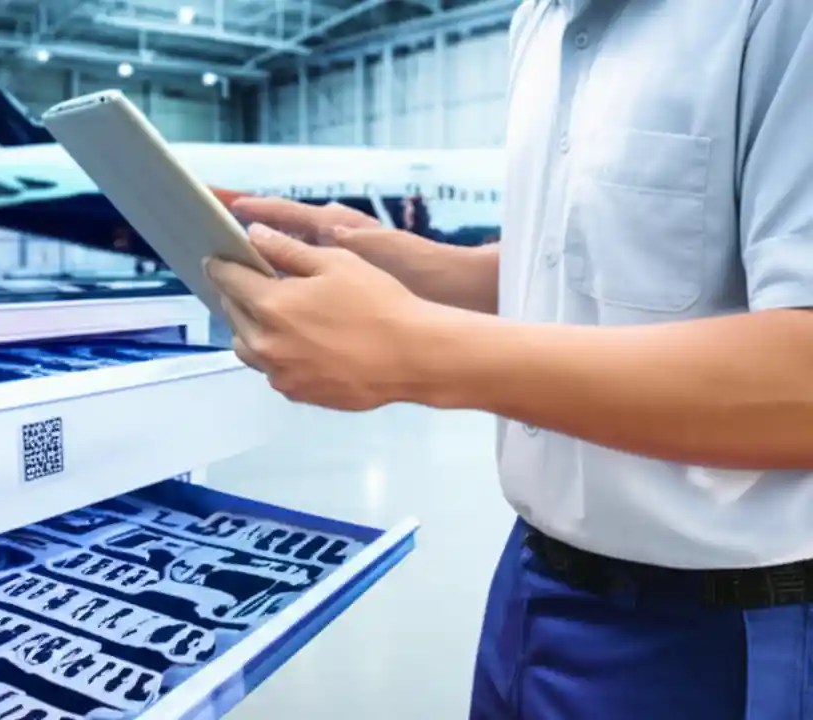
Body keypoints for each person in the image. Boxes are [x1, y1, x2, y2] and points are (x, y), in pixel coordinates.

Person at [205, 0, 813, 717]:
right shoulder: (539, 21)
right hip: (529, 579)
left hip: (714, 627)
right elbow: (581, 262)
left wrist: (419, 352)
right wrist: (412, 266)